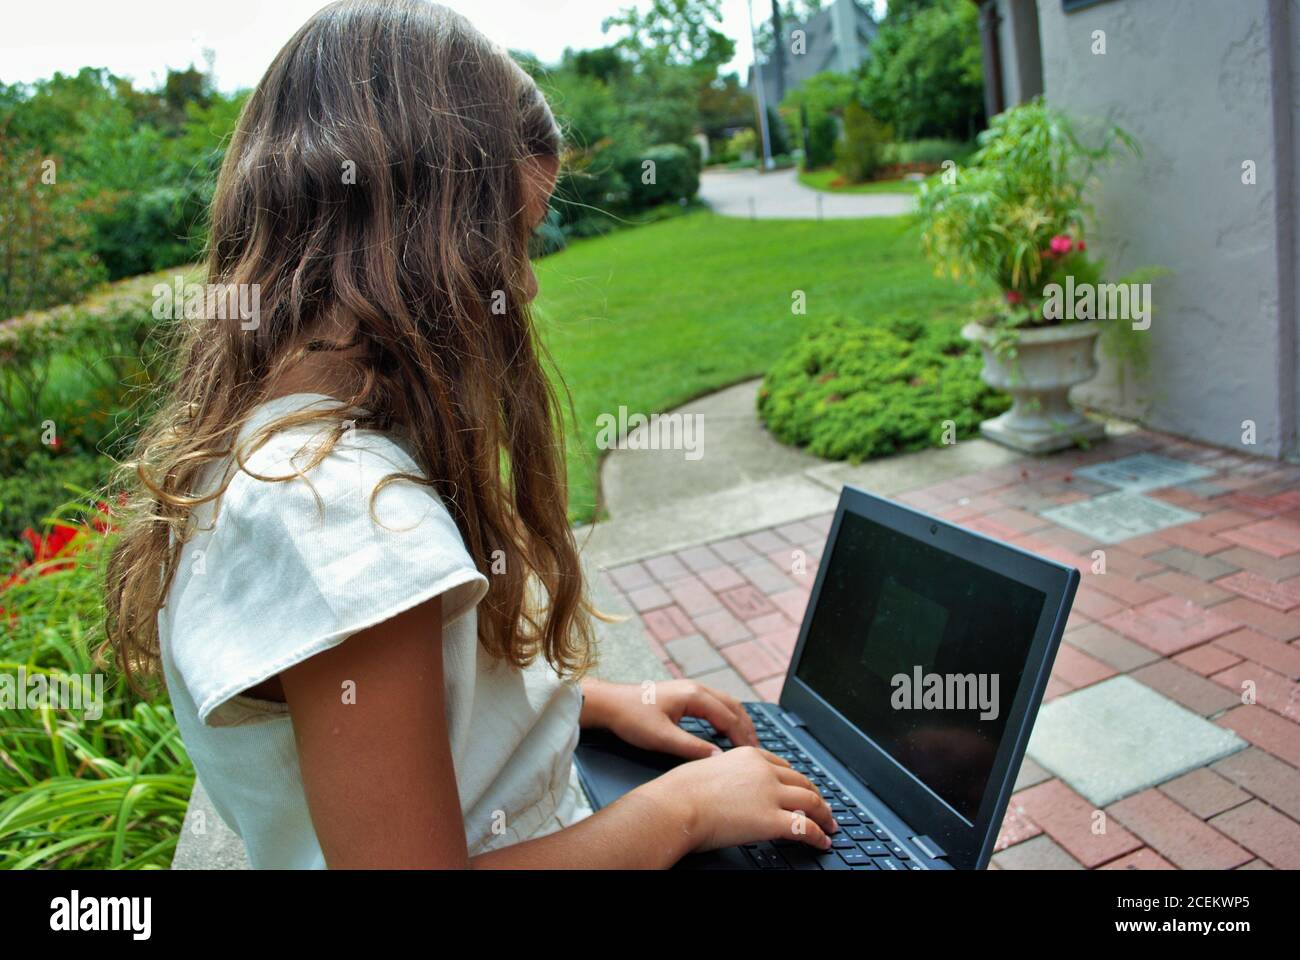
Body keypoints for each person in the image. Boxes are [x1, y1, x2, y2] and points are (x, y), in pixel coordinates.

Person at [103, 0, 836, 869]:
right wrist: (679, 812)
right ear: (421, 243)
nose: (523, 285)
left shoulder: (283, 452)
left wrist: (588, 703)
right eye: (511, 240)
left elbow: (401, 720)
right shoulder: (336, 517)